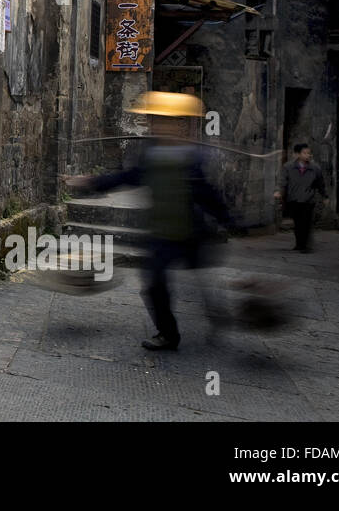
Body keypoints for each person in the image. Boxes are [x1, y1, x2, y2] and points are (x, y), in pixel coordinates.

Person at [64, 91, 232, 351]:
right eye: (154, 120)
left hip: (190, 232)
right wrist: (91, 182)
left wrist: (231, 221)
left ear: (178, 125)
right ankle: (168, 334)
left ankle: (217, 315)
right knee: (154, 284)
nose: (156, 126)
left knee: (201, 284)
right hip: (161, 233)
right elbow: (128, 177)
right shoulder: (151, 156)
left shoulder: (192, 159)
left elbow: (209, 196)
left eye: (162, 121)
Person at [274, 143, 326, 252]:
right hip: (294, 199)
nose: (308, 155)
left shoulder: (315, 168)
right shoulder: (288, 167)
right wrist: (279, 191)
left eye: (309, 153)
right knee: (297, 223)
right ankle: (299, 244)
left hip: (308, 200)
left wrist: (324, 196)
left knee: (306, 222)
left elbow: (320, 183)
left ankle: (305, 246)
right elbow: (283, 181)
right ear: (297, 154)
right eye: (305, 153)